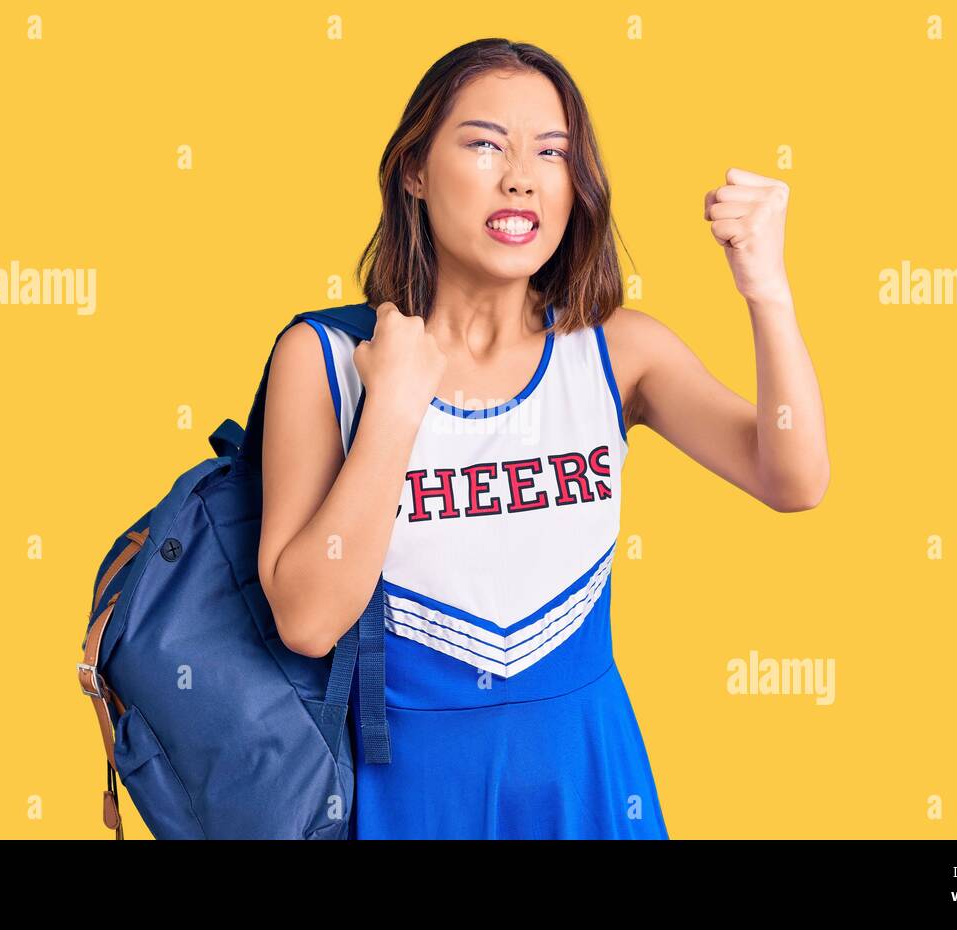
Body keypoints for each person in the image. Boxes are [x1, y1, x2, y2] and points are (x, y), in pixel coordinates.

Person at [256, 38, 829, 839]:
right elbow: (308, 621)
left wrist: (766, 288)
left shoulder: (619, 350)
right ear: (415, 171)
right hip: (408, 793)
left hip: (592, 780)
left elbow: (794, 479)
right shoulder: (324, 359)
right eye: (486, 143)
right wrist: (392, 407)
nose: (520, 174)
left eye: (551, 152)